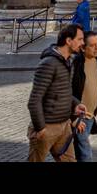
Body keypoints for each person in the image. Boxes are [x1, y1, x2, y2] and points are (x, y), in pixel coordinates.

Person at [26, 24, 86, 161]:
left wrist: (75, 104)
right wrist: (41, 128)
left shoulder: (68, 62)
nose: (83, 43)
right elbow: (34, 100)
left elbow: (62, 91)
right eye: (80, 39)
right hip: (47, 127)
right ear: (68, 41)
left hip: (64, 126)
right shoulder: (48, 64)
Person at [70, 30, 97, 161]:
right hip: (79, 117)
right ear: (83, 48)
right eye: (92, 45)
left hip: (91, 115)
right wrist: (72, 117)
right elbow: (66, 91)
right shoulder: (76, 63)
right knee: (85, 154)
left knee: (77, 153)